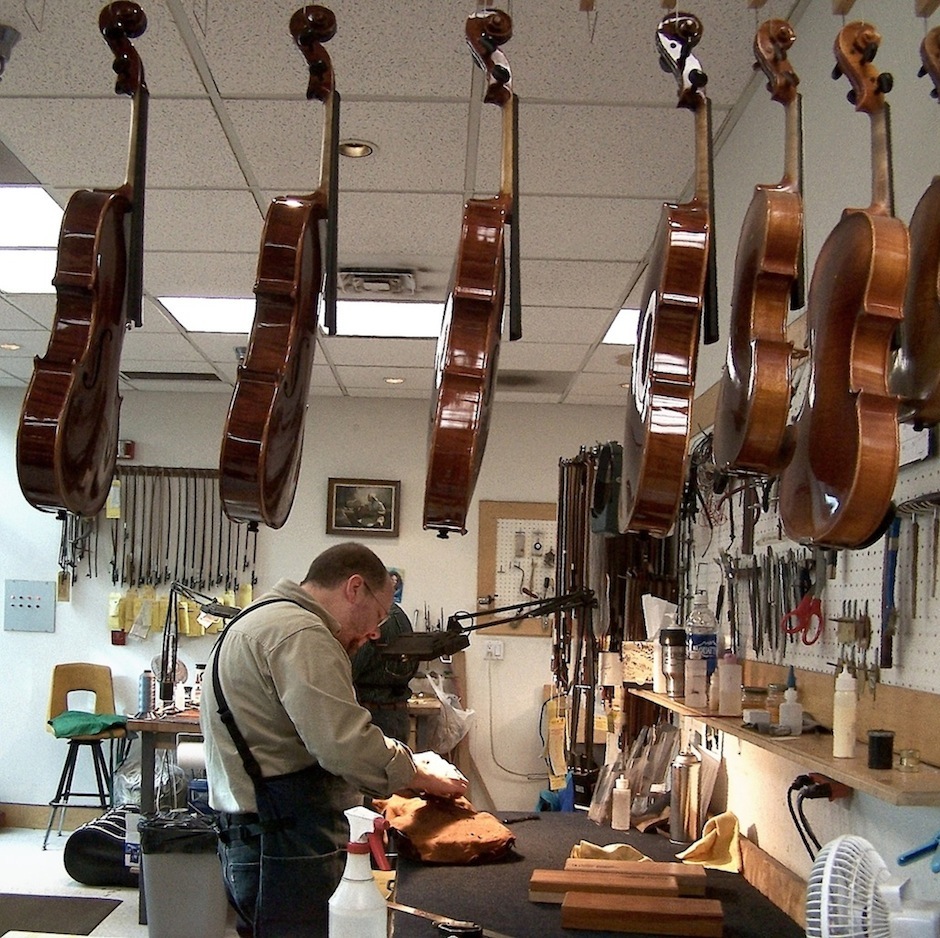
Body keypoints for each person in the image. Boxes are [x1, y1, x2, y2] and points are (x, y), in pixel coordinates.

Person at [200, 542, 467, 937]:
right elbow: (346, 746)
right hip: (282, 844)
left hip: (258, 836)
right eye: (378, 614)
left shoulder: (259, 618)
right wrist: (421, 774)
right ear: (354, 588)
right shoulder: (303, 633)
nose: (376, 631)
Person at [351, 602, 419, 742]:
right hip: (397, 714)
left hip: (375, 716)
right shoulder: (398, 614)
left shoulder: (378, 620)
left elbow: (347, 674)